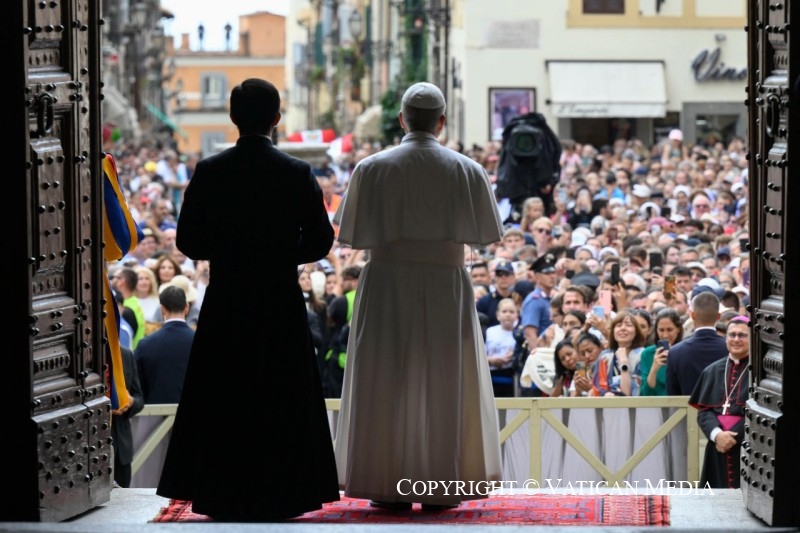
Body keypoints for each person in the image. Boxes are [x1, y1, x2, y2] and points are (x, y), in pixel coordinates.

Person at [156, 78, 339, 521]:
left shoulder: (210, 171)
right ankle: (284, 494)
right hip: (278, 300)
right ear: (277, 118)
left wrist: (231, 252)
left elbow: (188, 240)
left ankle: (223, 492)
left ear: (233, 117)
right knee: (280, 393)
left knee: (225, 393)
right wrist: (280, 255)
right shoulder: (296, 172)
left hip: (228, 299)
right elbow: (320, 241)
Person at [332, 82, 503, 511]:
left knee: (385, 378)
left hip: (387, 284)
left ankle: (384, 484)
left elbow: (350, 234)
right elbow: (487, 235)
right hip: (445, 284)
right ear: (442, 122)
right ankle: (442, 484)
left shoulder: (371, 168)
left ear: (402, 120)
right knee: (446, 380)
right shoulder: (467, 169)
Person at [130, 285, 195, 489]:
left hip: (153, 420)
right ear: (186, 307)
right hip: (194, 419)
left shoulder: (146, 344)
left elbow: (137, 386)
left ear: (162, 309)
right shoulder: (197, 341)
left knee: (153, 476)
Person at [689, 316, 750, 488]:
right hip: (717, 446)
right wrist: (717, 435)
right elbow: (703, 411)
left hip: (747, 447)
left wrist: (733, 437)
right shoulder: (712, 370)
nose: (736, 339)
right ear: (725, 338)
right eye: (732, 335)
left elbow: (760, 413)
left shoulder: (760, 374)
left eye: (742, 335)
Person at [665, 291, 728, 396]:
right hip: (722, 406)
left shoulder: (675, 352)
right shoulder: (729, 348)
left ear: (692, 315)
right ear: (718, 316)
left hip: (686, 406)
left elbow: (672, 394)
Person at [111, 346, 144, 488]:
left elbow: (139, 398)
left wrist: (131, 402)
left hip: (122, 451)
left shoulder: (126, 354)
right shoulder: (89, 353)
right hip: (96, 449)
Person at [639, 308, 684, 396]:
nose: (665, 335)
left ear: (678, 329)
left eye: (669, 330)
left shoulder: (685, 352)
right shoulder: (647, 353)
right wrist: (654, 369)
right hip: (654, 403)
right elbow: (645, 394)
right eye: (661, 330)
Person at [484, 297, 519, 397]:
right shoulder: (489, 332)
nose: (508, 315)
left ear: (516, 315)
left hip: (511, 379)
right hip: (491, 377)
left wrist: (514, 355)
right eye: (504, 311)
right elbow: (480, 354)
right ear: (498, 315)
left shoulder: (520, 334)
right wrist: (491, 360)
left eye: (511, 312)